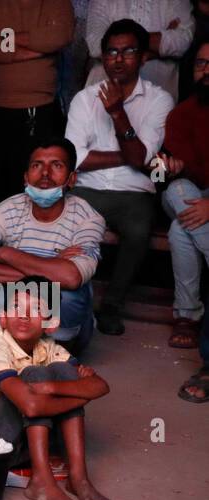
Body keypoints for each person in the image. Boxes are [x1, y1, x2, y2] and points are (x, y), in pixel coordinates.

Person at [0, 284, 113, 500]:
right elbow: (31, 407)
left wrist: (51, 387)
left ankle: (78, 477)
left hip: (22, 446)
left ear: (51, 324)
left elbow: (101, 386)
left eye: (35, 309)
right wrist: (80, 395)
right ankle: (41, 479)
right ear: (3, 317)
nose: (24, 315)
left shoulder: (48, 347)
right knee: (35, 374)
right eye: (16, 306)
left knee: (64, 371)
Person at [66, 18, 175, 335]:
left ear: (144, 57)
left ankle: (112, 305)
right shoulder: (84, 99)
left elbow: (144, 160)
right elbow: (75, 159)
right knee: (66, 223)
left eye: (128, 51)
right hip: (87, 188)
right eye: (112, 52)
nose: (118, 59)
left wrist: (116, 113)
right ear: (103, 57)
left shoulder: (160, 100)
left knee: (138, 230)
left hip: (134, 192)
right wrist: (131, 157)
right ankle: (72, 302)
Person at [0, 137, 106, 354]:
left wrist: (4, 254)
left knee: (69, 296)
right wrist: (50, 269)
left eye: (56, 165)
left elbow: (71, 277)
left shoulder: (87, 218)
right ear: (25, 177)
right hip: (21, 303)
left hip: (58, 316)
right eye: (37, 165)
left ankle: (56, 358)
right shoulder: (8, 210)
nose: (45, 174)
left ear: (72, 179)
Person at [0, 0, 71, 243]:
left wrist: (7, 40)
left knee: (30, 191)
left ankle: (27, 254)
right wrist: (39, 47)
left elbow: (59, 36)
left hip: (39, 109)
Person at [160, 39, 209, 367]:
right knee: (178, 190)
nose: (206, 70)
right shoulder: (180, 114)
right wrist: (171, 167)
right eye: (201, 64)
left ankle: (187, 315)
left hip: (199, 208)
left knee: (181, 230)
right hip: (190, 194)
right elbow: (164, 173)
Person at [85, 0, 194, 99]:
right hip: (103, 92)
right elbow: (95, 45)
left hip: (159, 92)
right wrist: (159, 45)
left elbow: (183, 43)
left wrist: (119, 45)